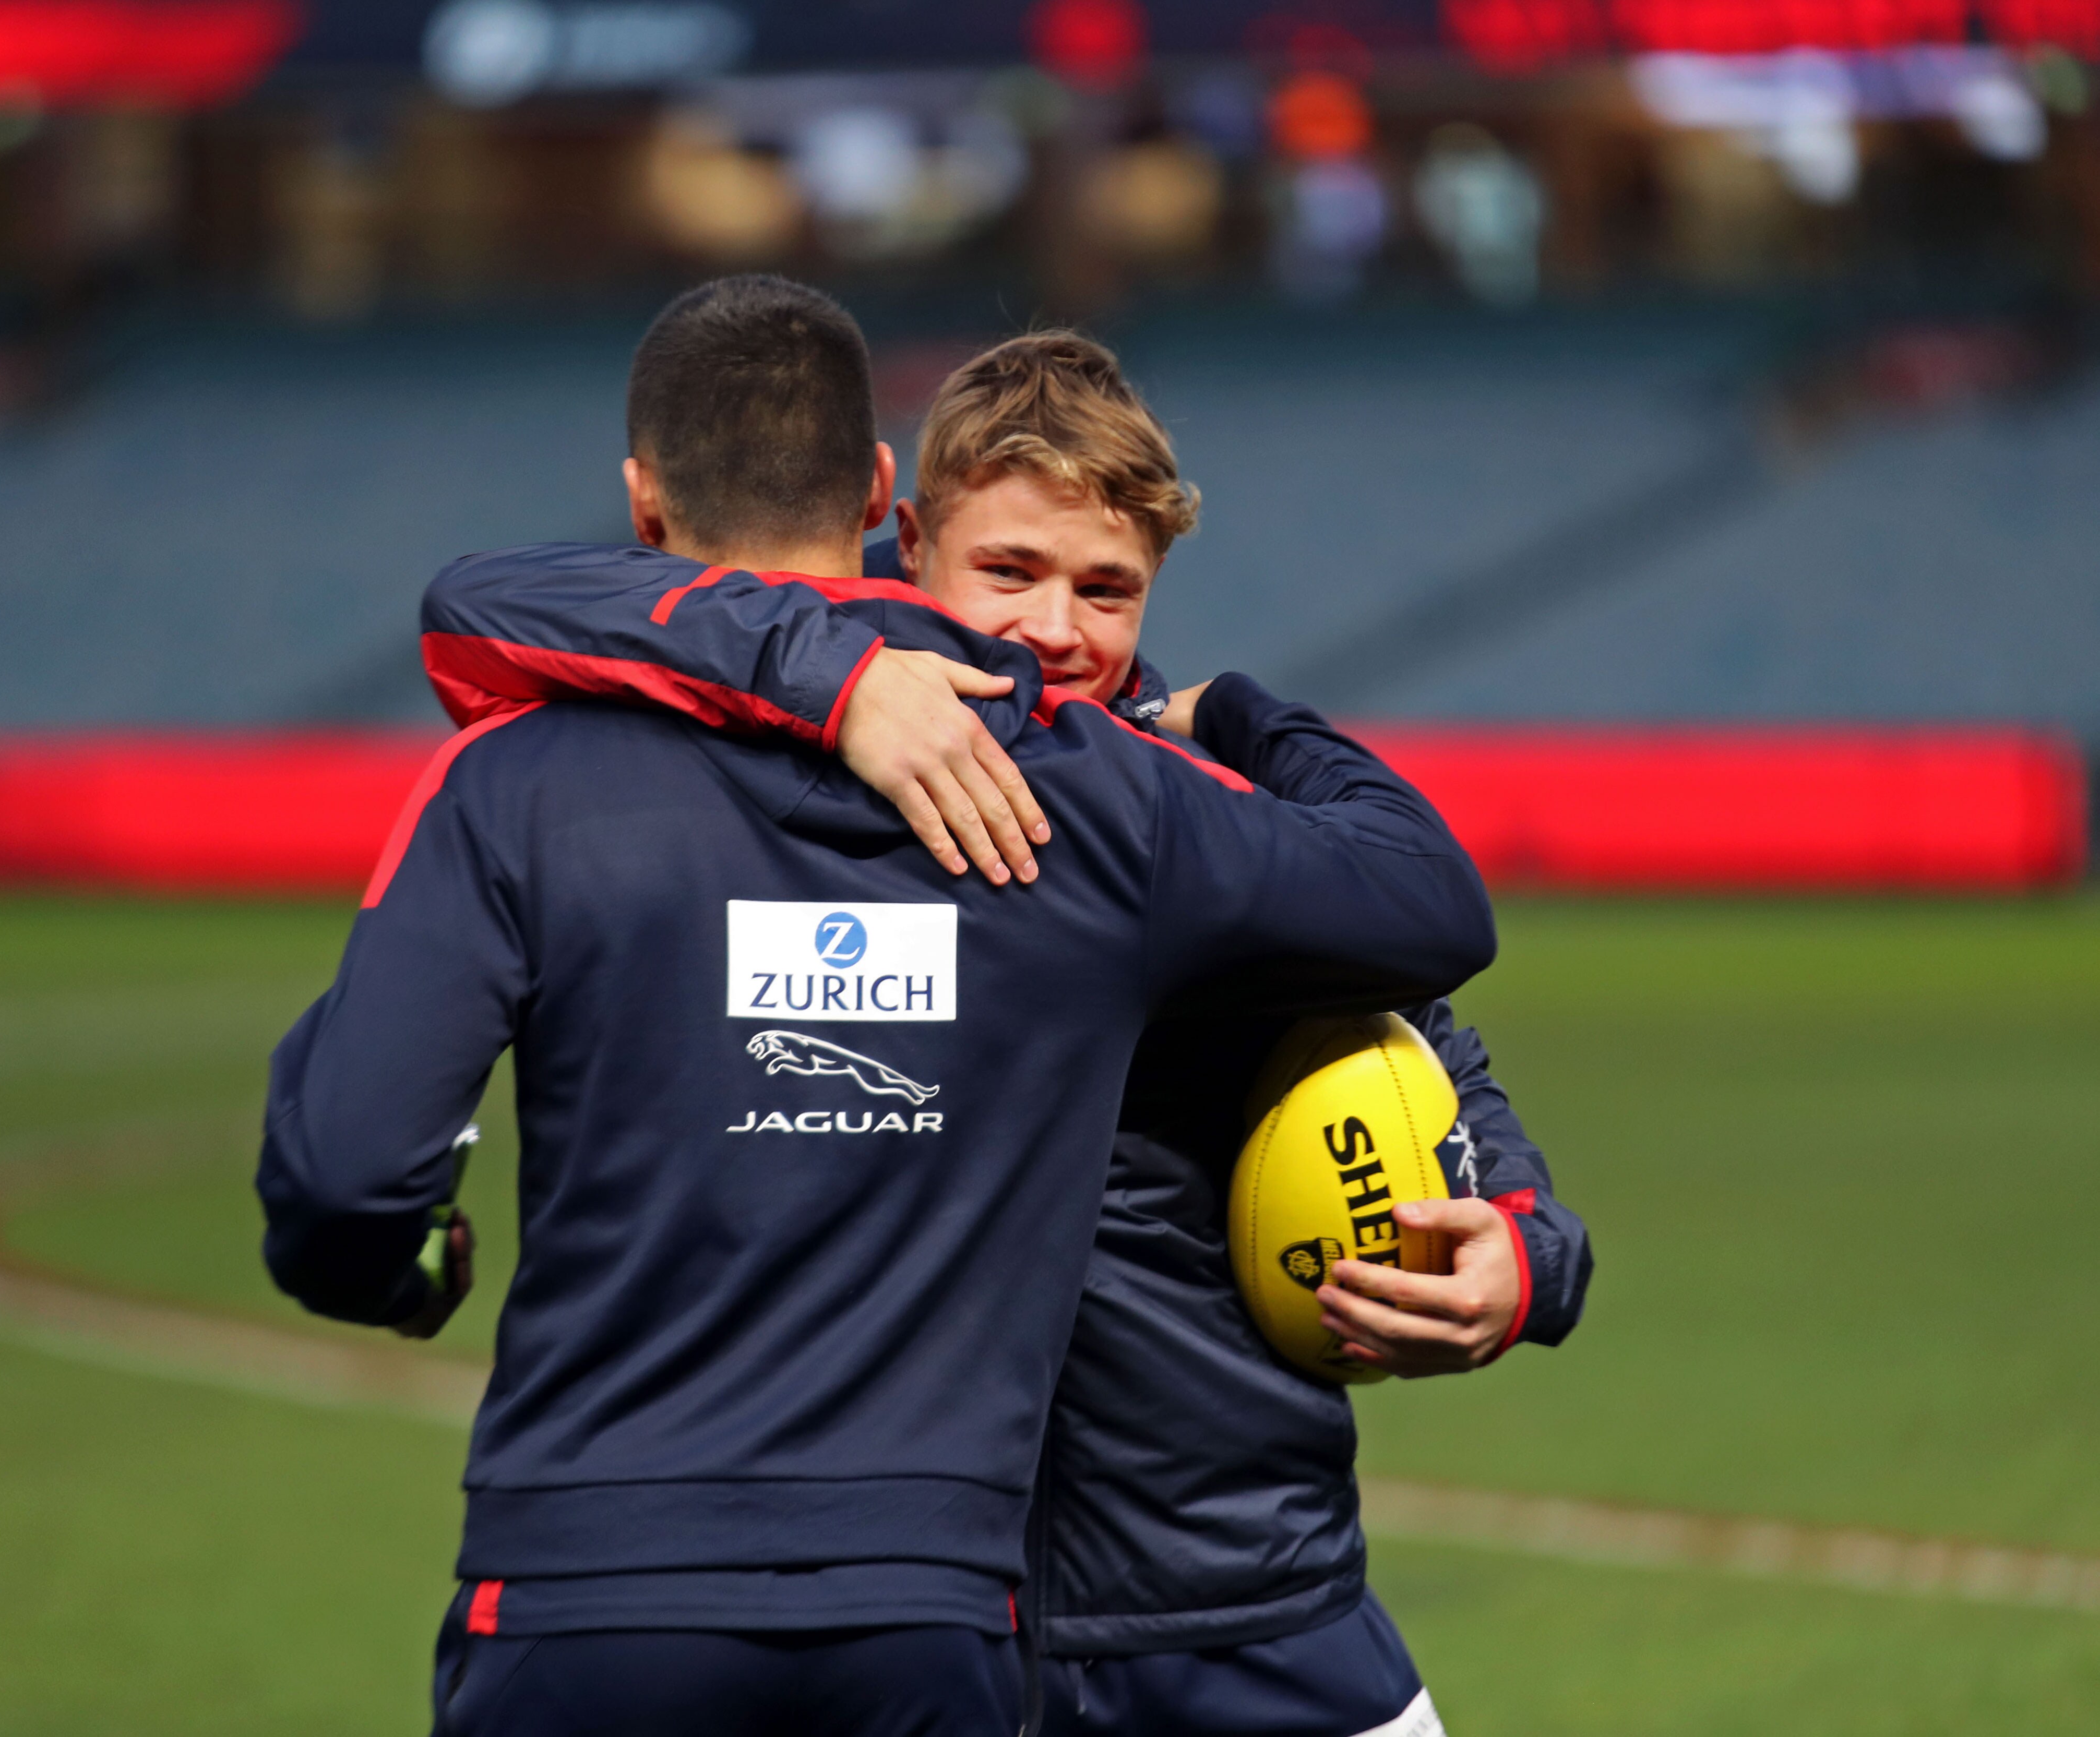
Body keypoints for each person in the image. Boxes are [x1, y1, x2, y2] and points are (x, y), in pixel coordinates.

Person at [258, 275, 1498, 1737]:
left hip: (583, 1585)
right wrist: (1231, 715)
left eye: (1100, 586)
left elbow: (349, 1175)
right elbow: (1429, 907)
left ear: (642, 501)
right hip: (935, 1609)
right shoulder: (1087, 793)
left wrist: (393, 1273)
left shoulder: (513, 781)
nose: (1056, 624)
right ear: (876, 500)